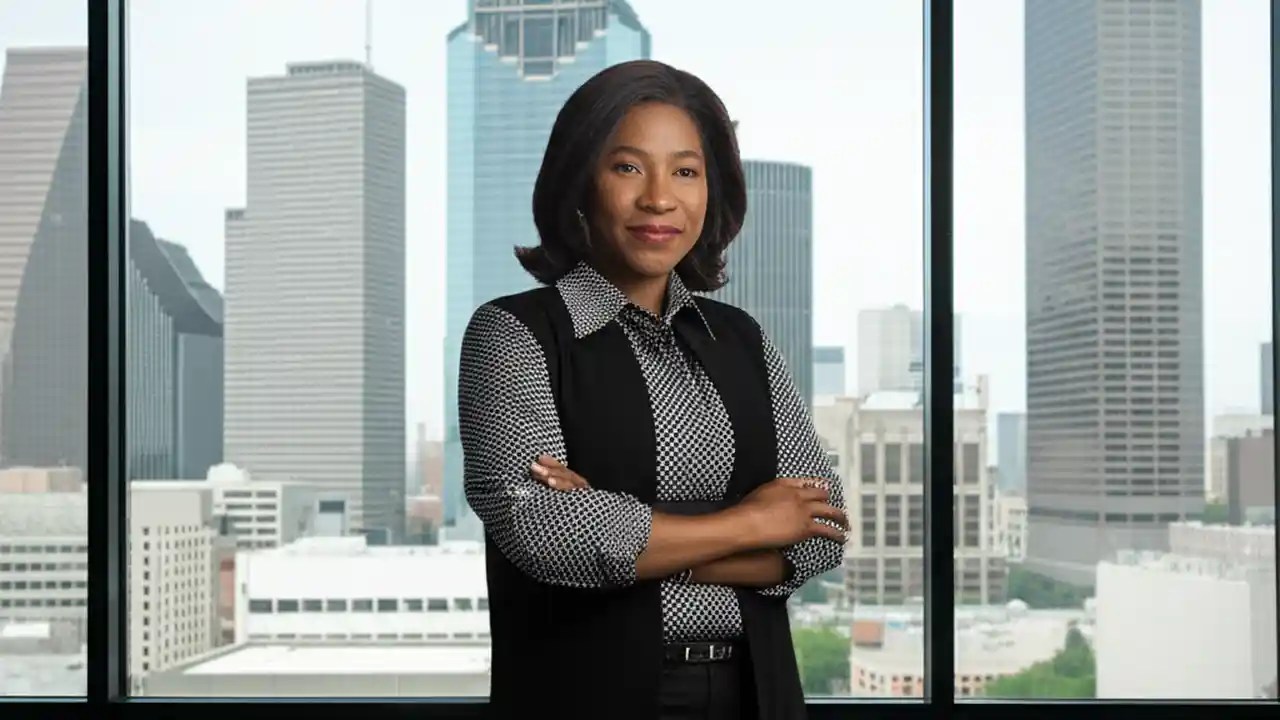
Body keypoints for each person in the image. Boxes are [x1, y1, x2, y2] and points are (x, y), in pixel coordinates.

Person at [456, 59, 848, 720]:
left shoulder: (742, 339)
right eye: (628, 167)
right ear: (579, 181)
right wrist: (751, 523)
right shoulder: (513, 335)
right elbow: (544, 532)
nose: (659, 198)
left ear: (711, 192)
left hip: (757, 696)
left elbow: (817, 533)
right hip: (586, 701)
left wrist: (629, 540)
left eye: (686, 171)